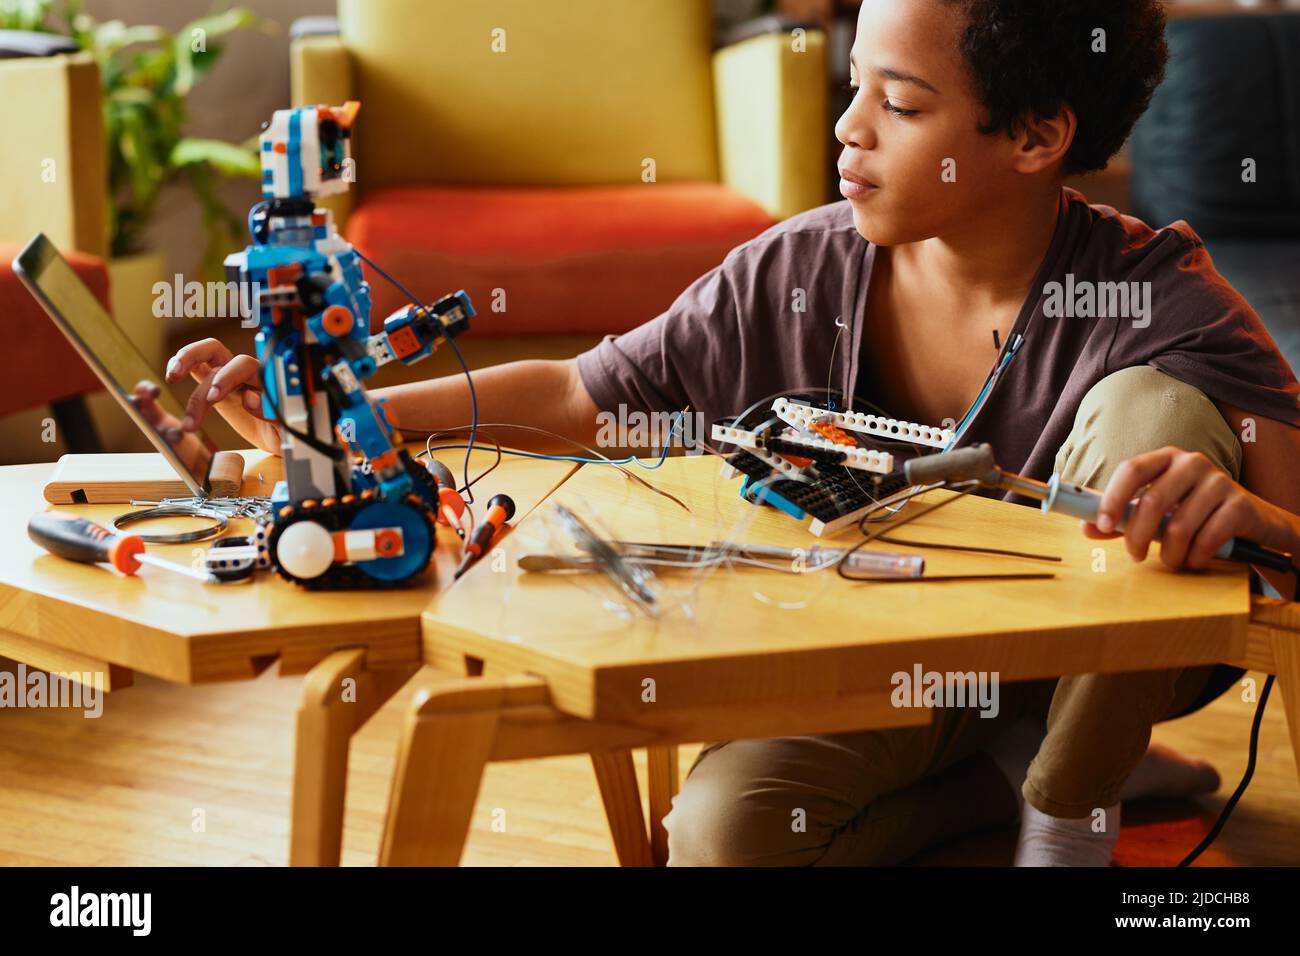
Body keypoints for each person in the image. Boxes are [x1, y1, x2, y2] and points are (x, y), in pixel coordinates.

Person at [166, 0, 1300, 865]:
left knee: (1159, 410)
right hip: (909, 667)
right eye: (854, 87)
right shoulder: (801, 269)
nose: (848, 131)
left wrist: (1251, 513)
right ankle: (1021, 763)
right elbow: (577, 399)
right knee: (722, 834)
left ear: (1038, 133)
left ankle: (1070, 804)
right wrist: (326, 415)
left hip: (1113, 654)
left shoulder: (1157, 296)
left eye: (900, 107)